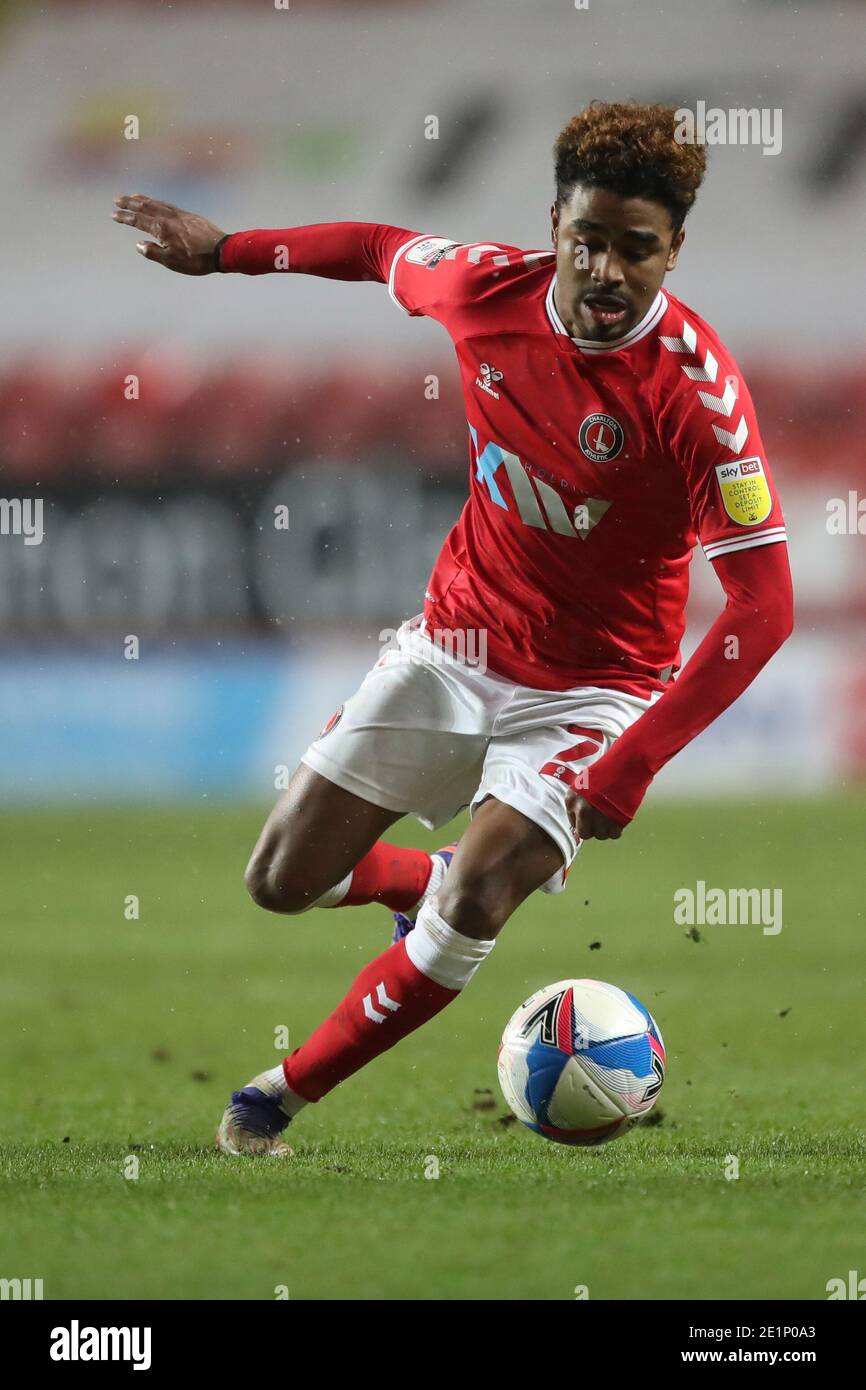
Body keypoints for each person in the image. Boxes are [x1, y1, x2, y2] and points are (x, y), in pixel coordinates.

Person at [113, 101, 793, 1156]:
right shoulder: (481, 286)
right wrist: (226, 255)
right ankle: (417, 878)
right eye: (588, 241)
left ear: (673, 251)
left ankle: (270, 1102)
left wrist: (630, 765)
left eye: (636, 250)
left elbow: (763, 603)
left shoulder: (696, 395)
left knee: (482, 890)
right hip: (454, 647)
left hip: (593, 689)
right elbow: (379, 246)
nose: (607, 271)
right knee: (280, 882)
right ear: (553, 224)